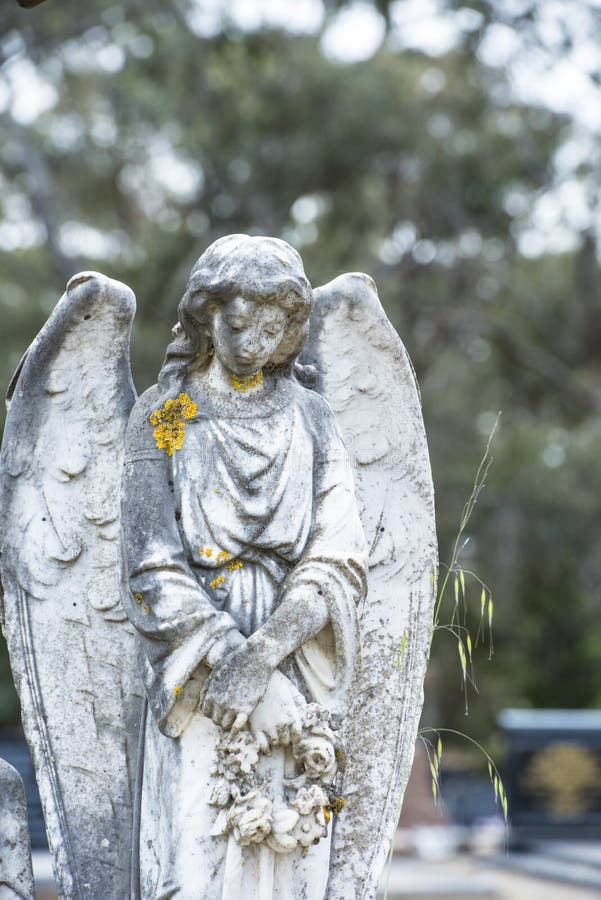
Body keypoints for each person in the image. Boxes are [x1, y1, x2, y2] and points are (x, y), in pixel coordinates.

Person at [121, 234, 367, 899]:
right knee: (199, 858)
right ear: (205, 313)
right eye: (237, 321)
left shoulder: (312, 419)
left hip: (295, 656)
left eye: (273, 325)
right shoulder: (170, 415)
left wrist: (261, 665)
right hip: (199, 666)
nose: (253, 341)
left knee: (290, 858)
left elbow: (338, 558)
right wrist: (232, 664)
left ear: (293, 329)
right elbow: (150, 565)